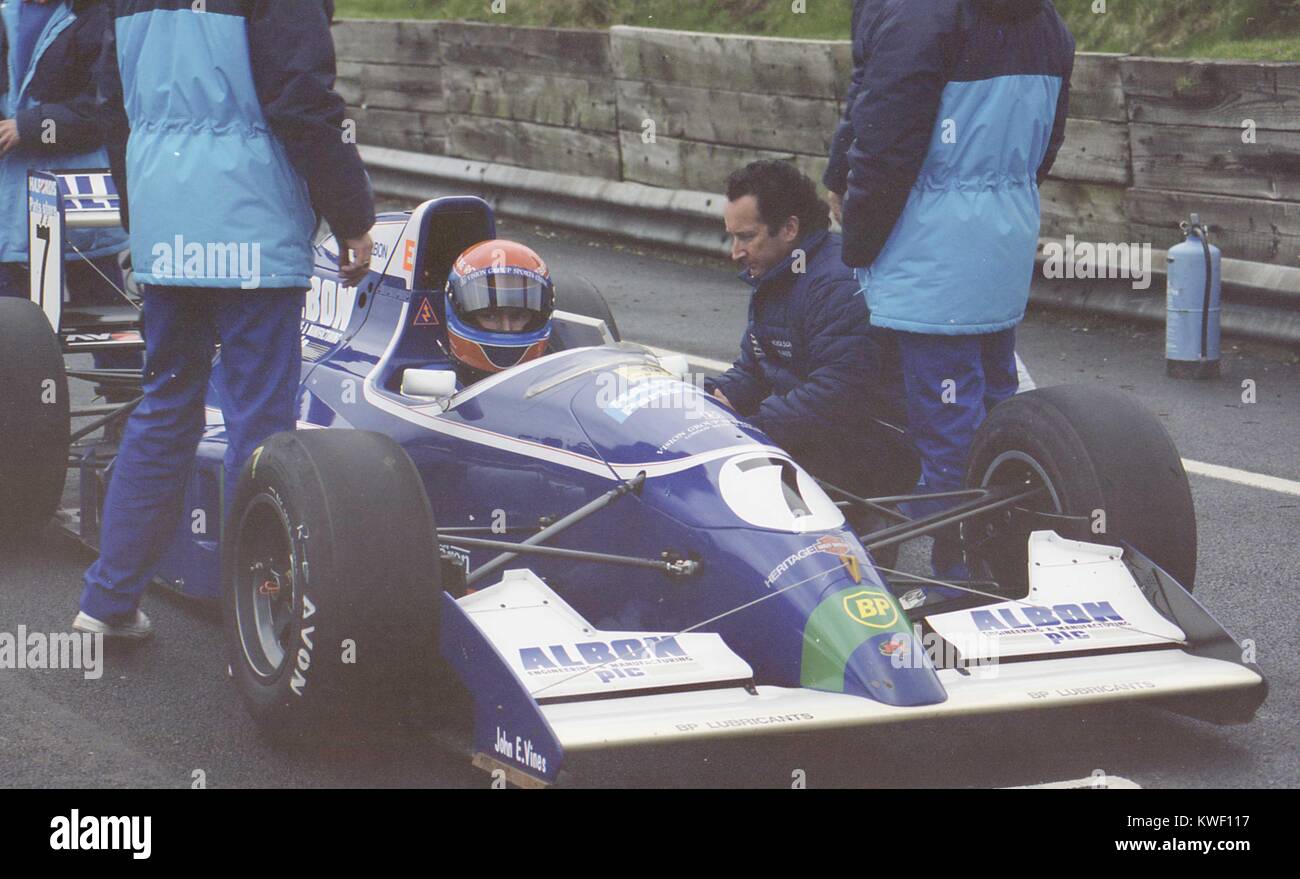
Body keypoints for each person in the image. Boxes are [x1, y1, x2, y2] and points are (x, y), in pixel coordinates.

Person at [74, 0, 375, 638]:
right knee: (261, 428)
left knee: (163, 407)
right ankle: (257, 619)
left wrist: (145, 216)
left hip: (169, 227)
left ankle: (104, 603)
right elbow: (302, 103)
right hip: (252, 228)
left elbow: (110, 103)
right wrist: (352, 215)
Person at [839, 0, 1074, 579]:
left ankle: (955, 581)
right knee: (998, 409)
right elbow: (1049, 143)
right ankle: (1008, 564)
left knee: (946, 435)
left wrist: (858, 240)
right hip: (1003, 238)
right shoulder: (1048, 24)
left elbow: (884, 143)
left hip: (929, 247)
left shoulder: (920, 19)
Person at [705, 160, 917, 512]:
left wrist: (744, 432)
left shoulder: (837, 283)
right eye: (732, 236)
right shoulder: (777, 274)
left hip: (874, 445)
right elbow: (754, 370)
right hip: (816, 428)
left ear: (789, 228)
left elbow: (837, 394)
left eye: (746, 237)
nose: (735, 252)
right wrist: (703, 400)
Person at [0, 0, 139, 382]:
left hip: (82, 200)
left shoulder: (100, 16)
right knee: (11, 330)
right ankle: (18, 416)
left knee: (106, 316)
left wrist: (31, 127)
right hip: (9, 208)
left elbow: (106, 106)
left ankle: (121, 409)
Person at [444, 239, 556, 386]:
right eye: (489, 316)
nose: (506, 328)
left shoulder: (562, 377)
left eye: (518, 316)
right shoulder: (430, 383)